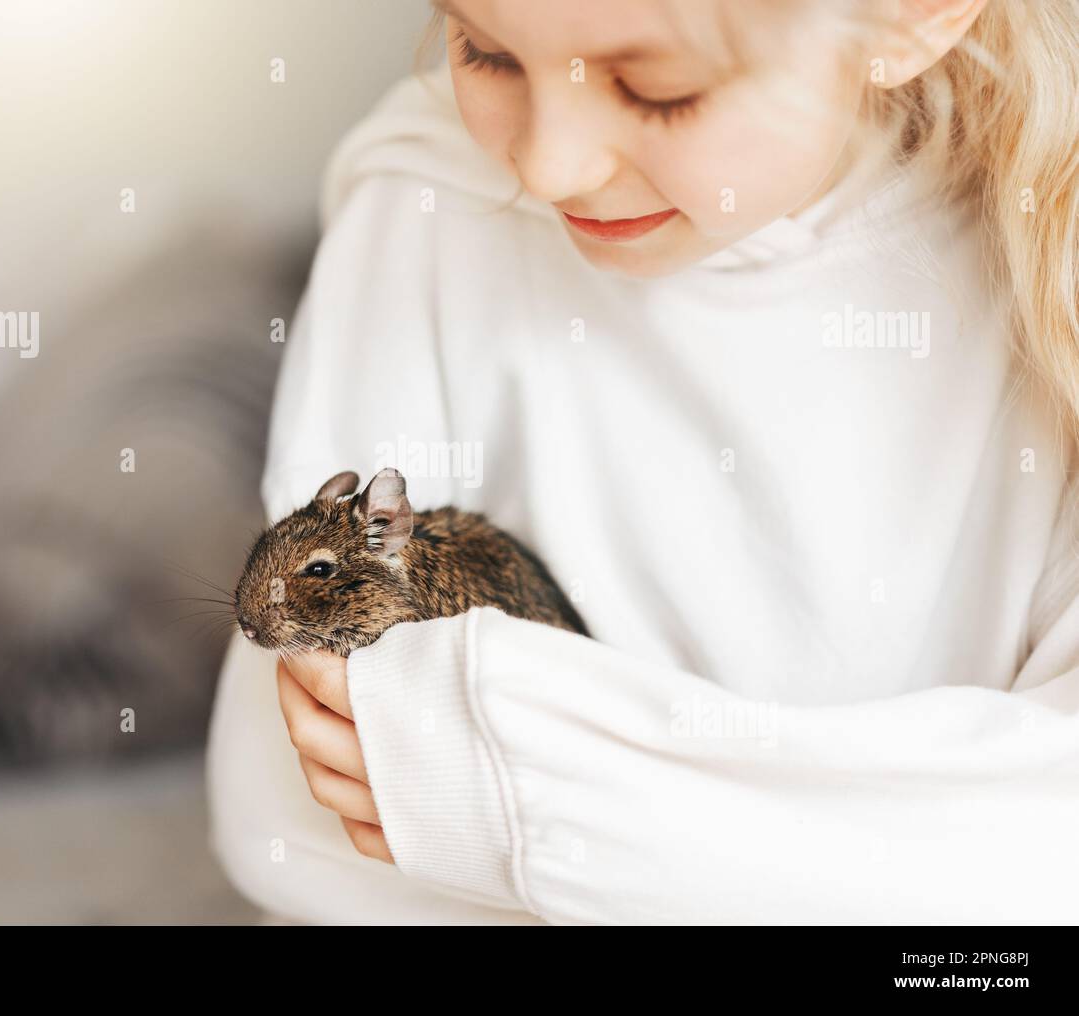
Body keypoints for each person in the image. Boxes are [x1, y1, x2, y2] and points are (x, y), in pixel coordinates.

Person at [207, 0, 1079, 923]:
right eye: (488, 53)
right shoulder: (424, 205)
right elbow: (289, 817)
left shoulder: (1040, 259)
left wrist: (533, 799)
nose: (548, 165)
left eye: (657, 89)